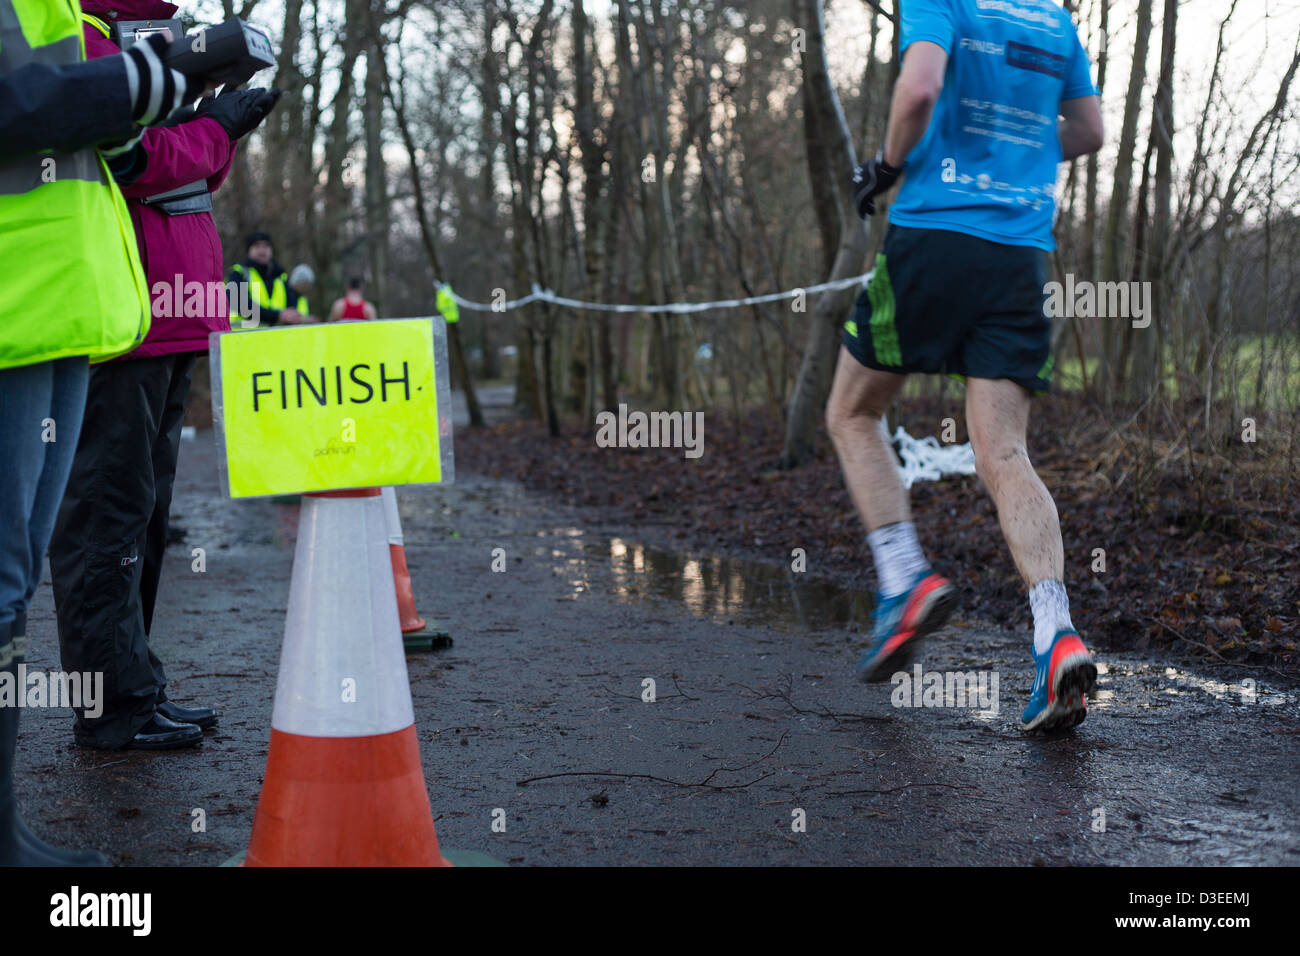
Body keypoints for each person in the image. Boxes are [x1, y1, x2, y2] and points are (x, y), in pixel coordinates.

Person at [826, 0, 1104, 731]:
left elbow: (918, 89)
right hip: (1020, 256)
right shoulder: (1053, 19)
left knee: (851, 410)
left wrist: (885, 167)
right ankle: (1056, 635)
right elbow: (1090, 131)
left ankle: (905, 581)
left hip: (932, 237)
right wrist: (1020, 153)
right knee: (1004, 449)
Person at [48, 0, 282, 753]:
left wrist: (219, 123)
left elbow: (189, 179)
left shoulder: (159, 42)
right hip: (127, 316)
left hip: (177, 312)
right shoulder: (83, 36)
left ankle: (136, 685)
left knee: (144, 517)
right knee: (106, 519)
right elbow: (136, 161)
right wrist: (217, 128)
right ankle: (110, 707)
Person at [1, 1, 194, 865]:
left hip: (63, 310)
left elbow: (107, 157)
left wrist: (162, 85)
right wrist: (128, 81)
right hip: (15, 310)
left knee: (12, 588)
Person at [228, 231, 303, 327]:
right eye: (257, 246)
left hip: (275, 338)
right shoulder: (239, 273)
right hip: (244, 338)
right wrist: (277, 315)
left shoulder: (280, 276)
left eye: (266, 246)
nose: (262, 251)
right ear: (249, 250)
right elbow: (239, 304)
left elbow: (291, 306)